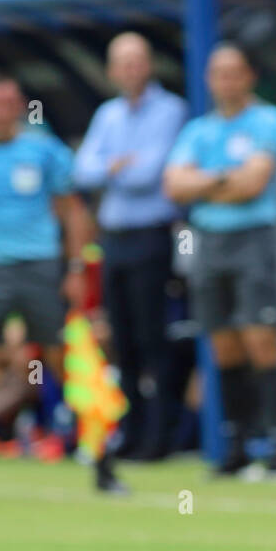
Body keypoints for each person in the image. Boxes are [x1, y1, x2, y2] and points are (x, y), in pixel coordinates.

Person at [0, 74, 126, 498]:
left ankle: (104, 465)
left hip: (40, 268)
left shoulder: (44, 150)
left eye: (7, 103)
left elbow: (71, 213)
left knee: (67, 364)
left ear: (20, 107)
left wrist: (76, 268)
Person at [163, 43, 276, 477]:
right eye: (219, 73)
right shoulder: (197, 129)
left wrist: (203, 182)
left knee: (260, 337)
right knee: (222, 342)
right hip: (207, 240)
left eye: (235, 72)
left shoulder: (268, 120)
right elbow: (173, 186)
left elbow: (254, 183)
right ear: (208, 79)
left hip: (254, 237)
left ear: (249, 77)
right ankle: (236, 445)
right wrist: (223, 179)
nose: (227, 81)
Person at [74, 32, 188, 461]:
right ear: (110, 70)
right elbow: (81, 172)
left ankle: (159, 435)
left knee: (151, 339)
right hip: (114, 240)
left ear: (149, 64)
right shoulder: (108, 114)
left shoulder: (171, 110)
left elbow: (149, 174)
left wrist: (109, 169)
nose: (130, 70)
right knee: (120, 339)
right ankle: (131, 429)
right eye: (121, 62)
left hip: (151, 237)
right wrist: (114, 167)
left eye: (137, 61)